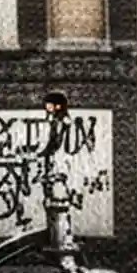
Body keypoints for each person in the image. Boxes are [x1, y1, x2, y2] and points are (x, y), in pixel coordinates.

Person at [37, 91, 79, 251]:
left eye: (49, 104)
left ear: (57, 106)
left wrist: (42, 154)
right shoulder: (59, 121)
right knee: (55, 202)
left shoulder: (61, 123)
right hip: (58, 164)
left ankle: (61, 239)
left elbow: (54, 144)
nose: (46, 107)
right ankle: (58, 238)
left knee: (58, 201)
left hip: (60, 164)